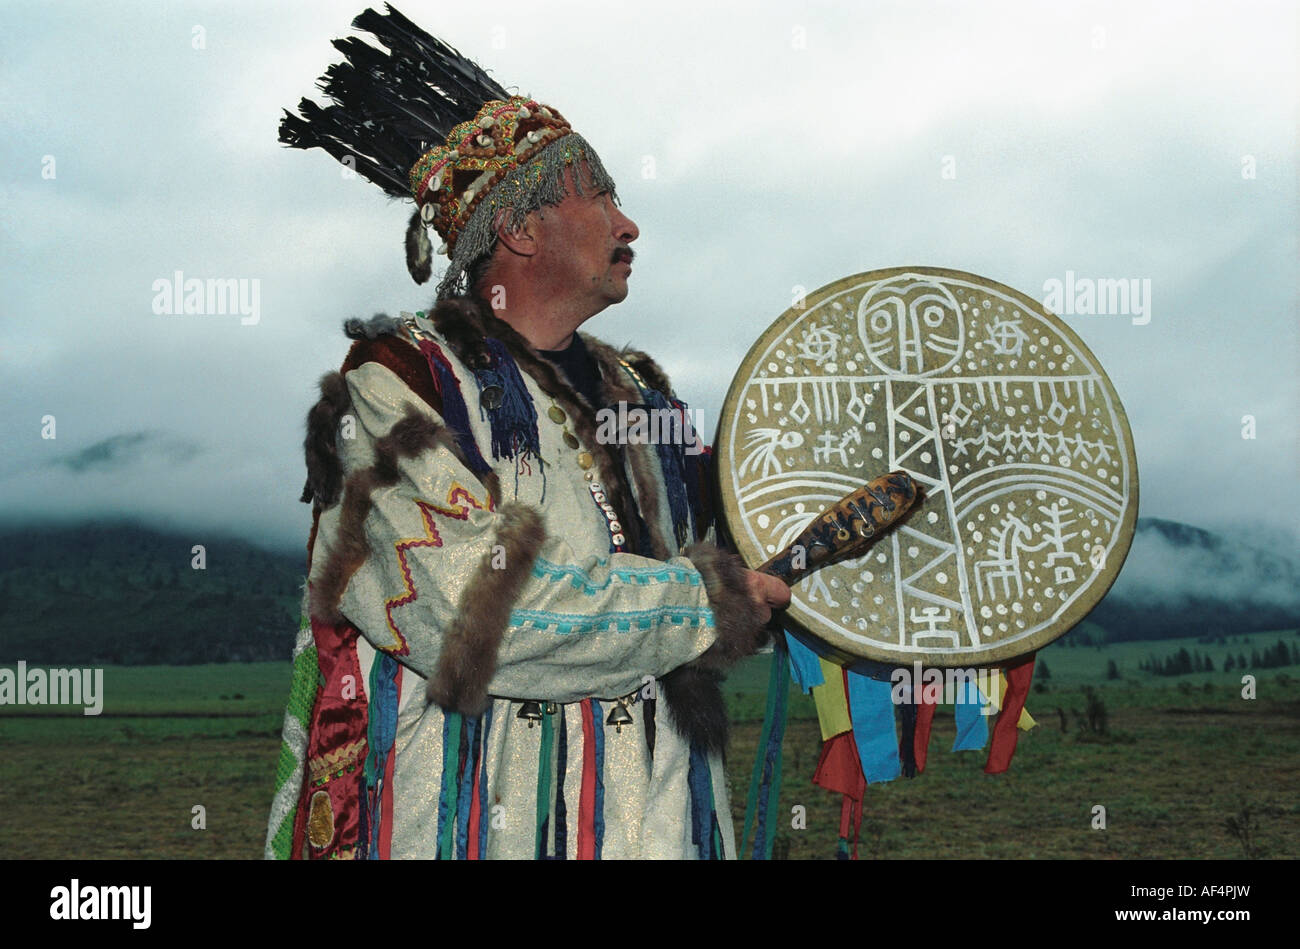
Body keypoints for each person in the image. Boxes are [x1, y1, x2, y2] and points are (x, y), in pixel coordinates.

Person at [265, 5, 789, 860]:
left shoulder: (643, 399)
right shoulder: (398, 383)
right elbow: (477, 617)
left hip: (663, 822)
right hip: (475, 822)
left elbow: (746, 552)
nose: (630, 225)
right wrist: (706, 603)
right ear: (519, 227)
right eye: (603, 197)